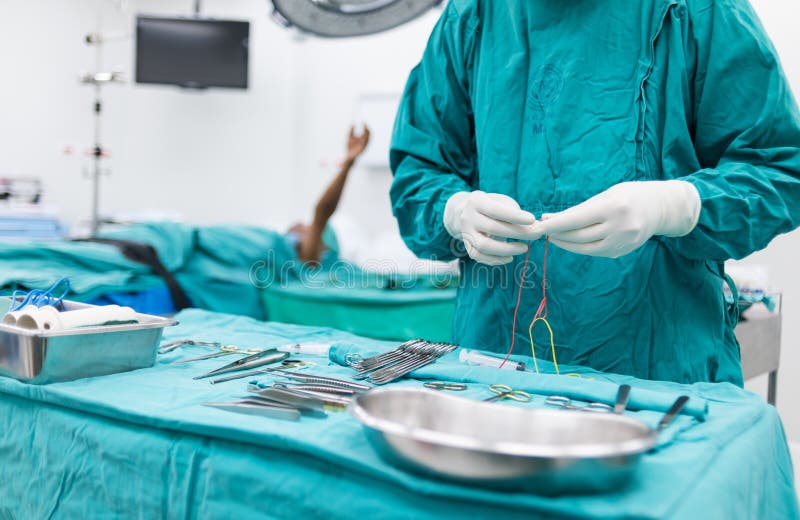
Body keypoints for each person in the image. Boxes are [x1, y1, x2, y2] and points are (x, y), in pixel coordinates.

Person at [390, 0, 800, 385]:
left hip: (658, 377)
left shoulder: (697, 11)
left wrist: (677, 207)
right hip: (493, 367)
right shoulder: (474, 15)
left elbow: (780, 167)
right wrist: (454, 211)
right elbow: (420, 170)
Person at [288, 124, 371, 264]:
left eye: (306, 228)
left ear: (324, 248)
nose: (299, 226)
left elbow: (321, 213)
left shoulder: (305, 261)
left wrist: (348, 164)